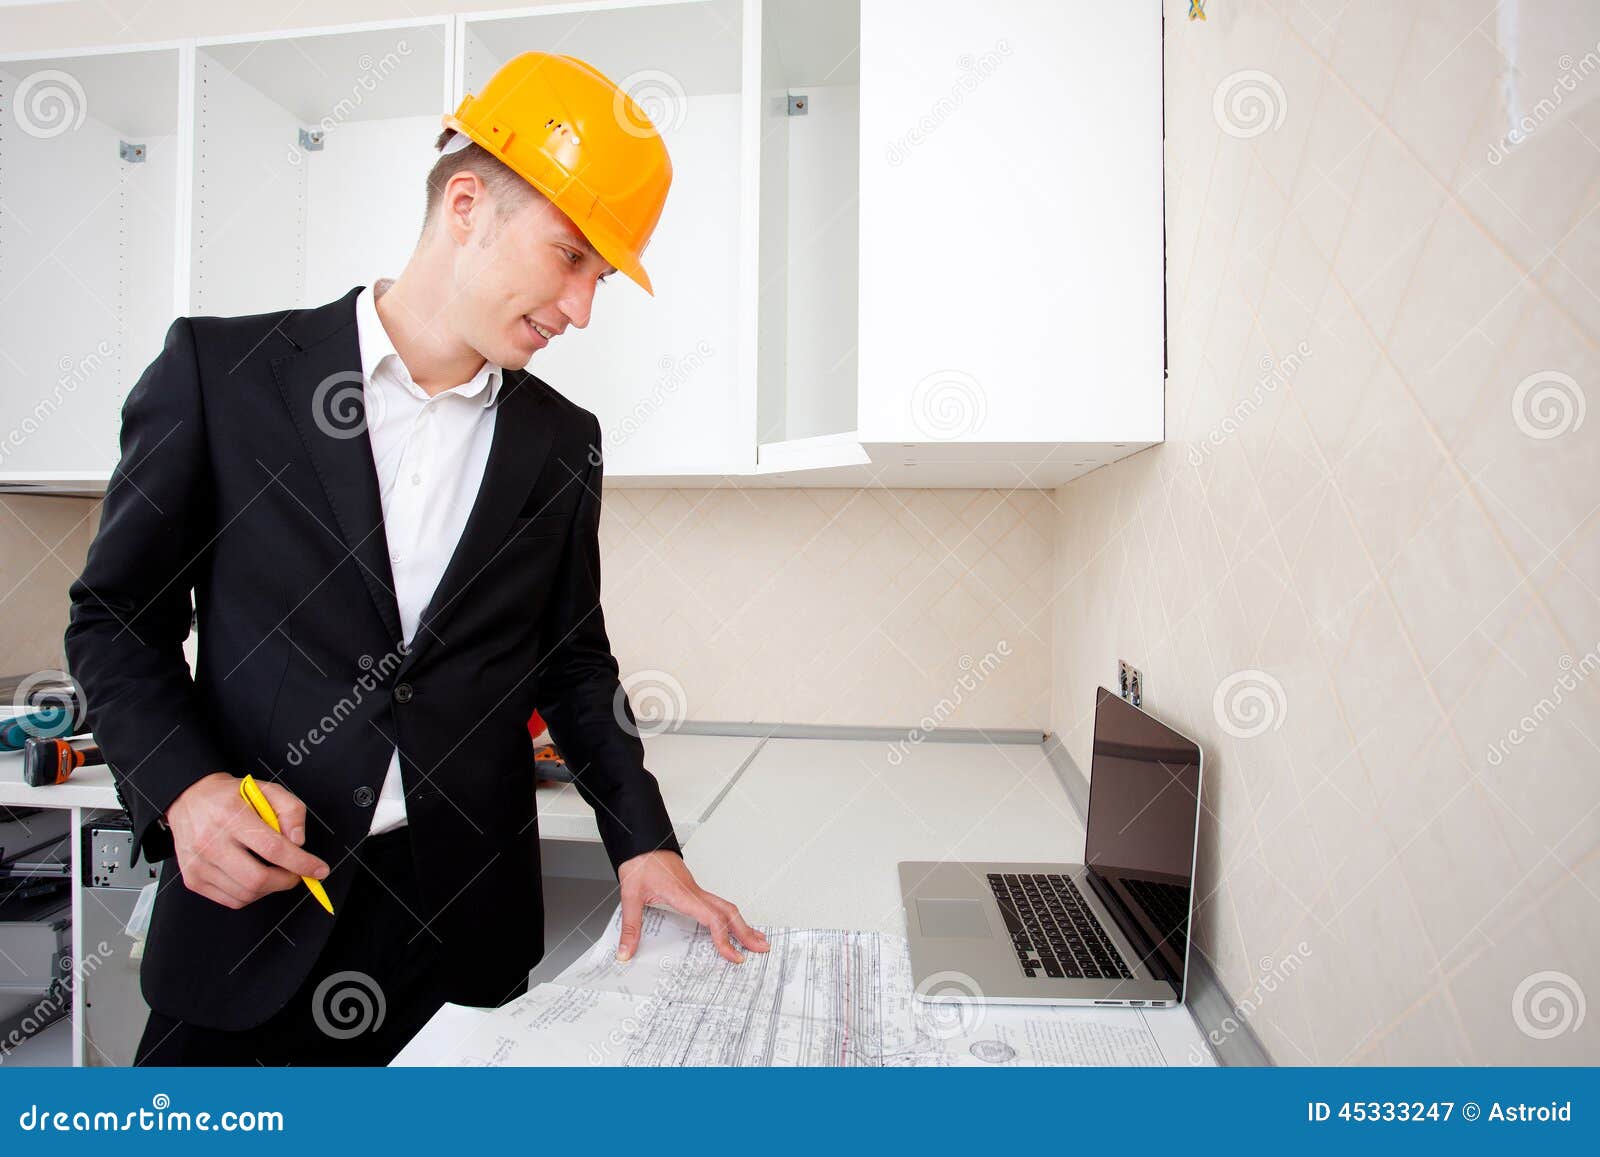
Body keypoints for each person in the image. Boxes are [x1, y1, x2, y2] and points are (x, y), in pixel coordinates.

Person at [64, 51, 768, 1067]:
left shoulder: (560, 440)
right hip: (255, 917)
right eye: (572, 258)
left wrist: (643, 839)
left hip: (461, 940)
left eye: (600, 279)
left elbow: (573, 665)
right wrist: (183, 791)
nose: (581, 309)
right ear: (468, 203)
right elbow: (116, 618)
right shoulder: (223, 377)